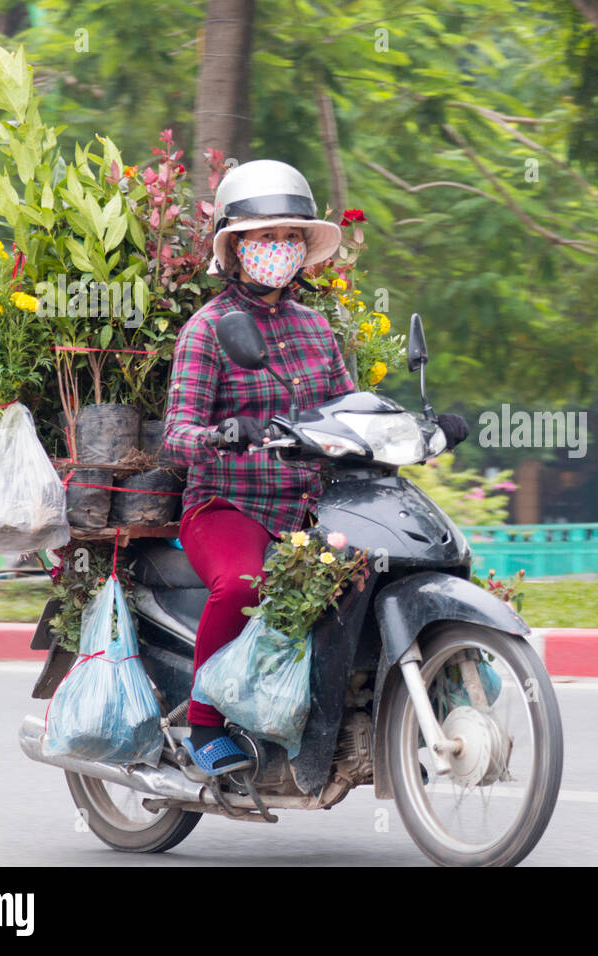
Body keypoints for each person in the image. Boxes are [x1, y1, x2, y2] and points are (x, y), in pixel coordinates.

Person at [162, 160, 466, 775]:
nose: (281, 249)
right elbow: (175, 438)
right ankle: (203, 721)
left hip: (308, 508)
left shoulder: (315, 329)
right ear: (236, 248)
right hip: (227, 506)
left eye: (292, 238)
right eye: (266, 238)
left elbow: (350, 413)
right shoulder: (207, 331)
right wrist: (225, 434)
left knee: (379, 573)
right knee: (245, 583)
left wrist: (420, 431)